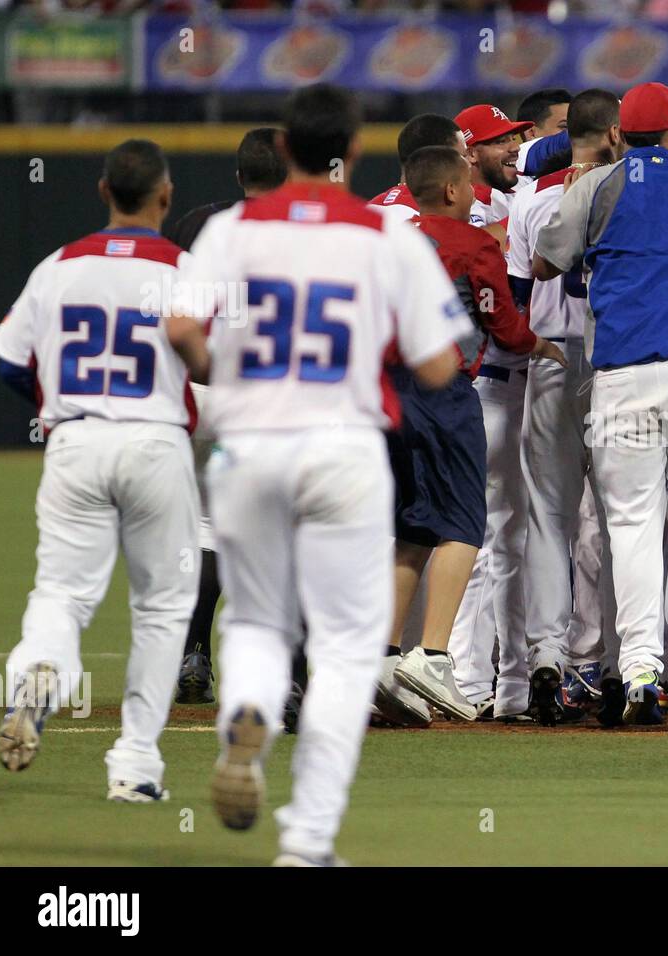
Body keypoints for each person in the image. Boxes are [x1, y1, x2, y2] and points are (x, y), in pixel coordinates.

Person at [166, 84, 466, 865]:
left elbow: (180, 329)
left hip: (251, 444)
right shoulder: (385, 234)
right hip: (344, 446)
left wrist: (220, 372)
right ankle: (307, 840)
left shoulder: (232, 230)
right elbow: (439, 361)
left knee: (259, 621)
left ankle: (248, 713)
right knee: (342, 648)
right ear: (352, 152)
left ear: (282, 151)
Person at [532, 81, 668, 725]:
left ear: (618, 134)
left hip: (625, 372)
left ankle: (637, 668)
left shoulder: (596, 185)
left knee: (629, 523)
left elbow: (547, 262)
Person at [0, 139, 200, 802]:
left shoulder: (57, 267)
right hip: (155, 440)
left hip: (75, 441)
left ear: (103, 191)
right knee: (163, 608)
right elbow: (220, 361)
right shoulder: (187, 270)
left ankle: (42, 668)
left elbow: (4, 358)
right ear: (165, 197)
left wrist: (55, 406)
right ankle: (135, 765)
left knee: (61, 593)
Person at [381, 146, 565, 724]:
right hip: (444, 392)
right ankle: (434, 656)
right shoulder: (472, 244)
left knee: (409, 527)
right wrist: (538, 343)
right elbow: (503, 325)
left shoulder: (391, 243)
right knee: (463, 523)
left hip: (386, 393)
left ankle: (383, 659)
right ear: (455, 191)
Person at [509, 88, 624, 724]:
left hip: (550, 357)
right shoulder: (625, 189)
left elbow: (520, 288)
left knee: (549, 519)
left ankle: (548, 657)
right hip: (612, 361)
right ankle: (612, 665)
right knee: (617, 520)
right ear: (612, 130)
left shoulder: (532, 193)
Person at [168, 126, 289, 707]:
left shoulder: (199, 224)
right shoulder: (305, 228)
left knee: (206, 529)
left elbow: (174, 312)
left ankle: (194, 653)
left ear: (240, 175)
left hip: (203, 391)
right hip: (275, 395)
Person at [367, 114, 466, 226]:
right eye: (462, 157)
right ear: (436, 161)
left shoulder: (368, 209)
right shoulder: (435, 216)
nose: (468, 165)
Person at [454, 104, 533, 228]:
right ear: (471, 154)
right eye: (501, 141)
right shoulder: (466, 208)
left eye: (513, 138)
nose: (516, 147)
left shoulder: (523, 184)